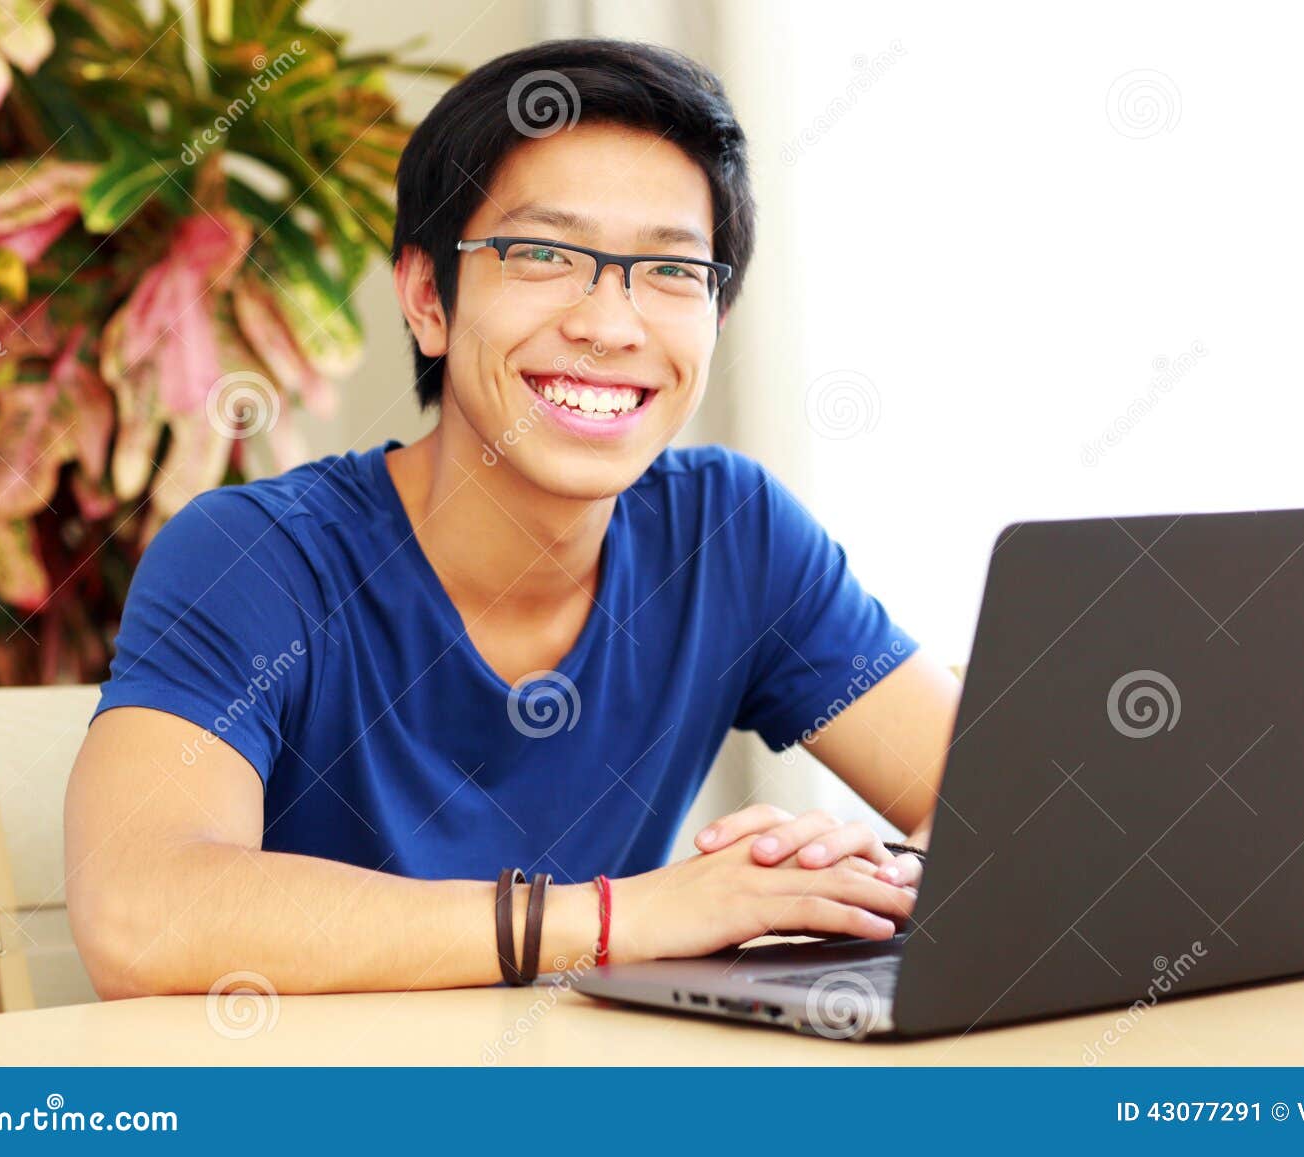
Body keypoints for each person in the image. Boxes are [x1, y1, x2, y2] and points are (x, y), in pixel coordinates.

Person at [64, 38, 961, 998]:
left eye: (670, 271)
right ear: (427, 298)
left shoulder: (727, 535)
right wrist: (619, 920)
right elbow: (141, 914)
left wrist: (848, 887)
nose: (609, 326)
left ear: (716, 319)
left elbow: (1020, 803)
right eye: (542, 254)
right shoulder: (256, 556)